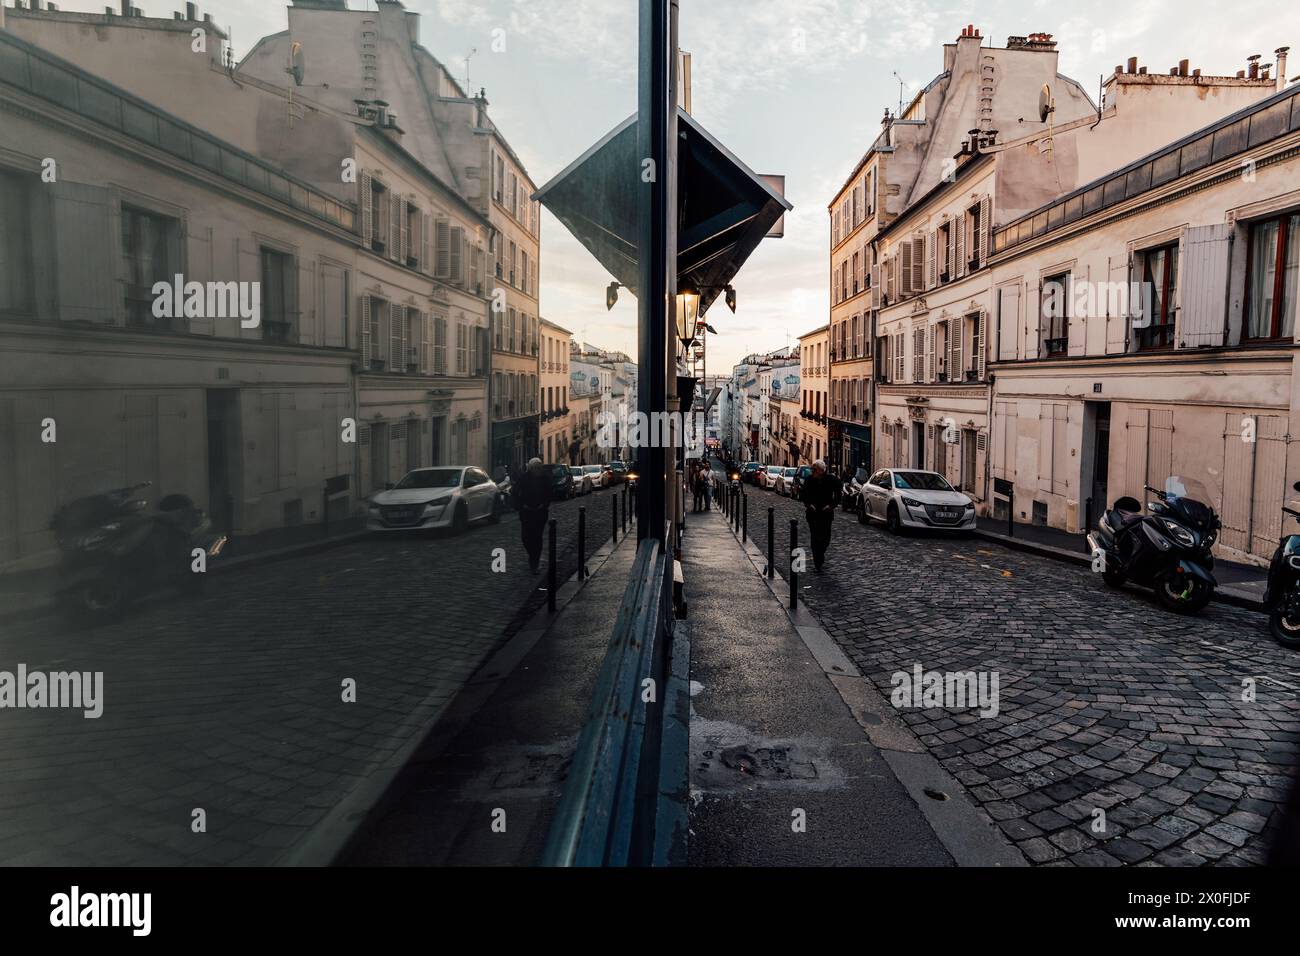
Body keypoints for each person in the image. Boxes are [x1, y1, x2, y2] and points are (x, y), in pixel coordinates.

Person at [799, 458, 840, 573]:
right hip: (812, 514)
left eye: (814, 470)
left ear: (821, 471)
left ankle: (820, 554)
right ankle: (818, 562)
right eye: (812, 470)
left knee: (826, 537)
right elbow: (803, 494)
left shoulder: (831, 480)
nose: (812, 472)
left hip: (826, 513)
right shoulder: (809, 480)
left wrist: (831, 506)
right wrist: (808, 505)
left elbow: (838, 493)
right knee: (815, 537)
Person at [513, 457, 551, 574]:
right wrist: (521, 506)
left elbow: (549, 493)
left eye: (539, 467)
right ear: (530, 468)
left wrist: (544, 505)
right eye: (535, 467)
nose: (537, 470)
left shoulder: (545, 478)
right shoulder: (523, 478)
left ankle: (534, 562)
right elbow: (515, 493)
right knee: (526, 537)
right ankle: (532, 556)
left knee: (537, 537)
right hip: (526, 513)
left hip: (540, 513)